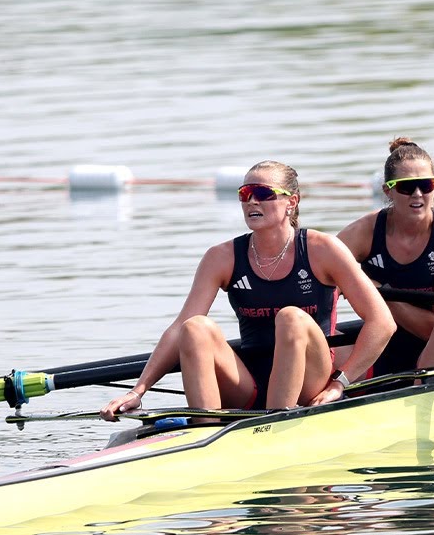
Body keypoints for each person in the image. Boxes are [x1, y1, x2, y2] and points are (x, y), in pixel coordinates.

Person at [100, 160, 395, 419]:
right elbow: (178, 328)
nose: (252, 202)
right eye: (245, 194)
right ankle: (204, 430)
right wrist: (138, 390)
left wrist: (340, 383)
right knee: (195, 327)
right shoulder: (221, 257)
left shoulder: (323, 249)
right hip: (249, 381)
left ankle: (277, 421)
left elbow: (382, 322)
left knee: (291, 317)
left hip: (310, 379)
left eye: (264, 194)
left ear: (291, 202)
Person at [337, 138, 434, 372]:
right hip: (384, 343)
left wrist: (375, 291)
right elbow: (317, 279)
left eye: (426, 185)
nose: (417, 194)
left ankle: (428, 383)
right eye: (406, 187)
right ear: (388, 190)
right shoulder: (361, 233)